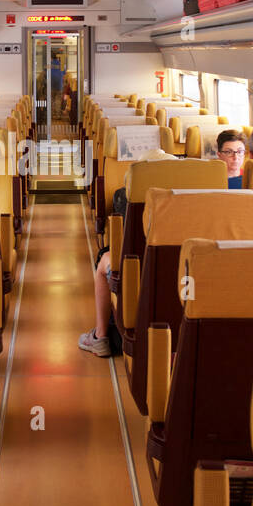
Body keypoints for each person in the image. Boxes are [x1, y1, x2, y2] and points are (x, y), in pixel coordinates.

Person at [79, 149, 172, 358]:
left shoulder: (125, 196)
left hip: (136, 267)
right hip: (185, 272)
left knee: (105, 258)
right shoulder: (200, 199)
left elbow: (126, 243)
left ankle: (101, 335)